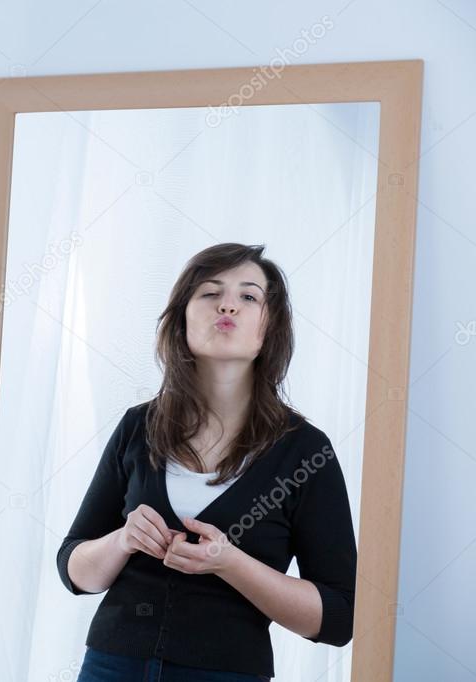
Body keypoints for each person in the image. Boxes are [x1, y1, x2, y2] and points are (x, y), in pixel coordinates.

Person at [58, 243, 357, 681]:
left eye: (249, 296)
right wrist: (122, 539)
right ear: (182, 318)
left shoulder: (306, 452)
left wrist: (230, 563)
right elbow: (75, 570)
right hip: (111, 665)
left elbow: (337, 618)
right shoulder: (138, 427)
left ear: (268, 327)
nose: (228, 304)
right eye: (210, 292)